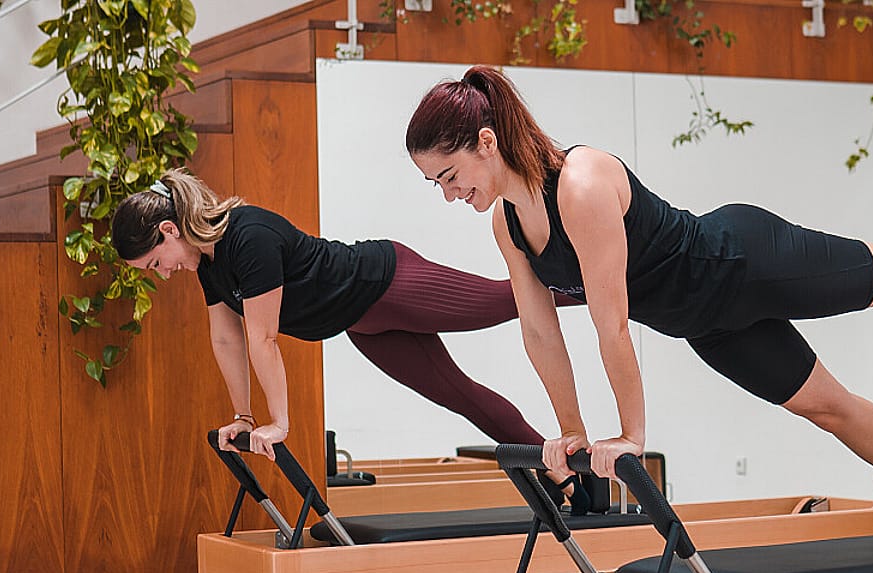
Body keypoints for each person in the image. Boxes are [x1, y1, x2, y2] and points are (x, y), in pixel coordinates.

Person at [405, 65, 873, 553]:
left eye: (448, 174)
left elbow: (611, 322)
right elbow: (540, 332)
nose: (447, 193)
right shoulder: (507, 226)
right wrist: (569, 432)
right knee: (828, 406)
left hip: (743, 262)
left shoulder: (581, 183)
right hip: (707, 323)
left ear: (486, 142)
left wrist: (629, 433)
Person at [110, 169, 590, 509]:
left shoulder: (246, 237)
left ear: (170, 230)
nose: (164, 273)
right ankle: (569, 474)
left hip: (390, 281)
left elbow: (262, 340)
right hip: (364, 323)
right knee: (460, 396)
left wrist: (279, 422)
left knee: (506, 300)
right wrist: (243, 416)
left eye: (156, 262)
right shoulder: (210, 266)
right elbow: (226, 342)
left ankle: (607, 289)